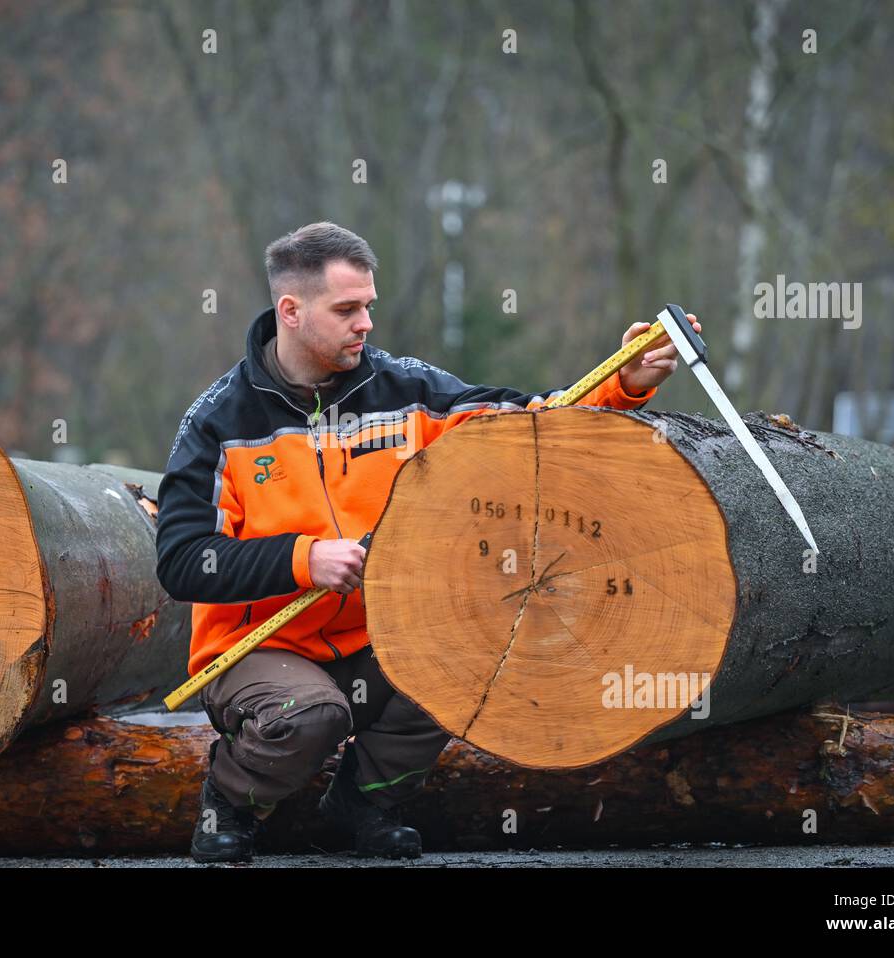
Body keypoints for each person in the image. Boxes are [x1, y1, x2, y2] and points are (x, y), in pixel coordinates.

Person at [154, 221, 701, 863]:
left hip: (382, 633)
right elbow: (184, 561)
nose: (366, 324)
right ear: (291, 312)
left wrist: (624, 383)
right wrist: (304, 559)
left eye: (369, 307)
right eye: (348, 309)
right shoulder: (218, 422)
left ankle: (364, 804)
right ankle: (232, 801)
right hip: (259, 650)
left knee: (468, 665)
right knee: (311, 715)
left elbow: (528, 425)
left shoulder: (409, 389)